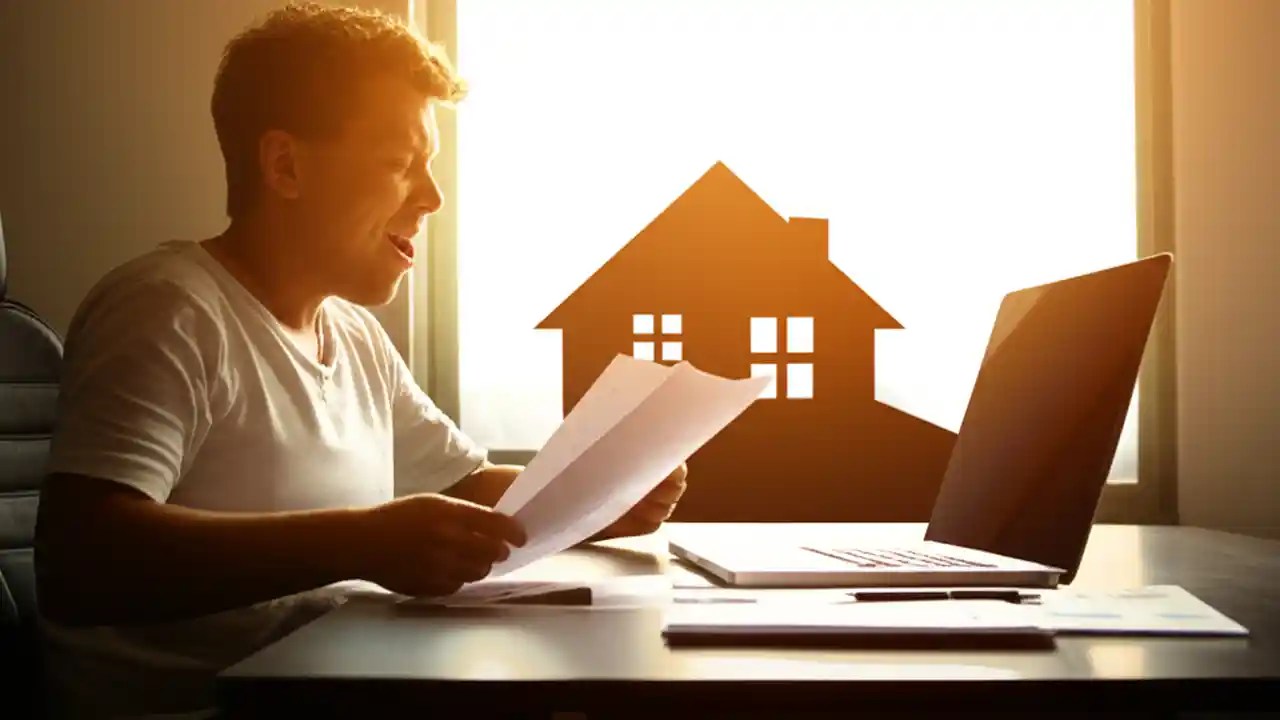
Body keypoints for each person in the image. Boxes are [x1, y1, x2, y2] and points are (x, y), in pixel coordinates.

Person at [31, 3, 688, 718]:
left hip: (336, 686)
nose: (432, 198)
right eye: (401, 165)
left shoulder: (353, 334)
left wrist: (601, 498)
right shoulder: (169, 309)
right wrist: (359, 542)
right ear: (285, 165)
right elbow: (79, 562)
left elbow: (465, 489)